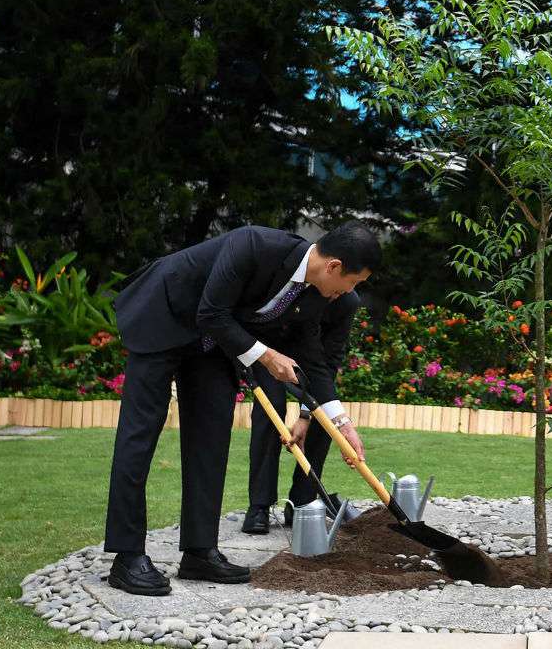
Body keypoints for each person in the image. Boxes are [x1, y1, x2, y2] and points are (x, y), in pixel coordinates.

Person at [105, 221, 379, 596]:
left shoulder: (315, 294)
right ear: (334, 266)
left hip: (213, 344)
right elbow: (211, 312)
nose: (350, 292)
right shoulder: (254, 244)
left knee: (211, 439)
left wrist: (340, 423)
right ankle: (127, 557)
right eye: (354, 282)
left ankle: (199, 552)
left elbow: (313, 363)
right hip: (165, 315)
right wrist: (267, 357)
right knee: (139, 438)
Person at [241, 289, 363, 534]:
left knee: (325, 417)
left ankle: (302, 502)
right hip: (271, 353)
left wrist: (307, 415)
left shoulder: (347, 302)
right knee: (270, 408)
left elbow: (329, 360)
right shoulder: (301, 285)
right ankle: (259, 506)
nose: (344, 290)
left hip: (313, 363)